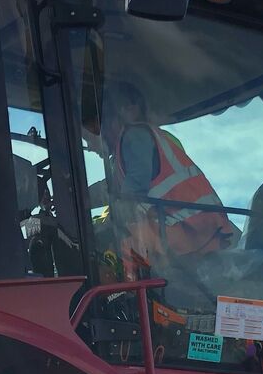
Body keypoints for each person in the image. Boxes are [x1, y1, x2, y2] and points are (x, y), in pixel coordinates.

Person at [100, 81, 238, 264]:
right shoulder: (153, 137)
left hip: (184, 231)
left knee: (108, 244)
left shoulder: (134, 135)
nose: (102, 134)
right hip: (202, 229)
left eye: (104, 124)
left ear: (126, 111)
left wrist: (110, 219)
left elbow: (133, 187)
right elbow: (113, 186)